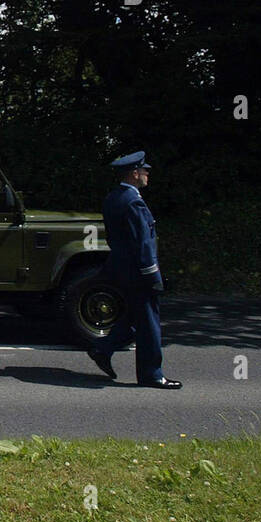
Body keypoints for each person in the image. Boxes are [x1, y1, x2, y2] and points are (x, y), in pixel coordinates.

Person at [87, 151, 180, 389]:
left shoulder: (113, 198)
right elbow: (143, 243)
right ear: (134, 173)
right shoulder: (133, 202)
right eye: (144, 170)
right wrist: (152, 274)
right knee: (149, 322)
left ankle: (102, 348)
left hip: (121, 268)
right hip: (138, 272)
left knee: (135, 316)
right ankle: (152, 374)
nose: (148, 174)